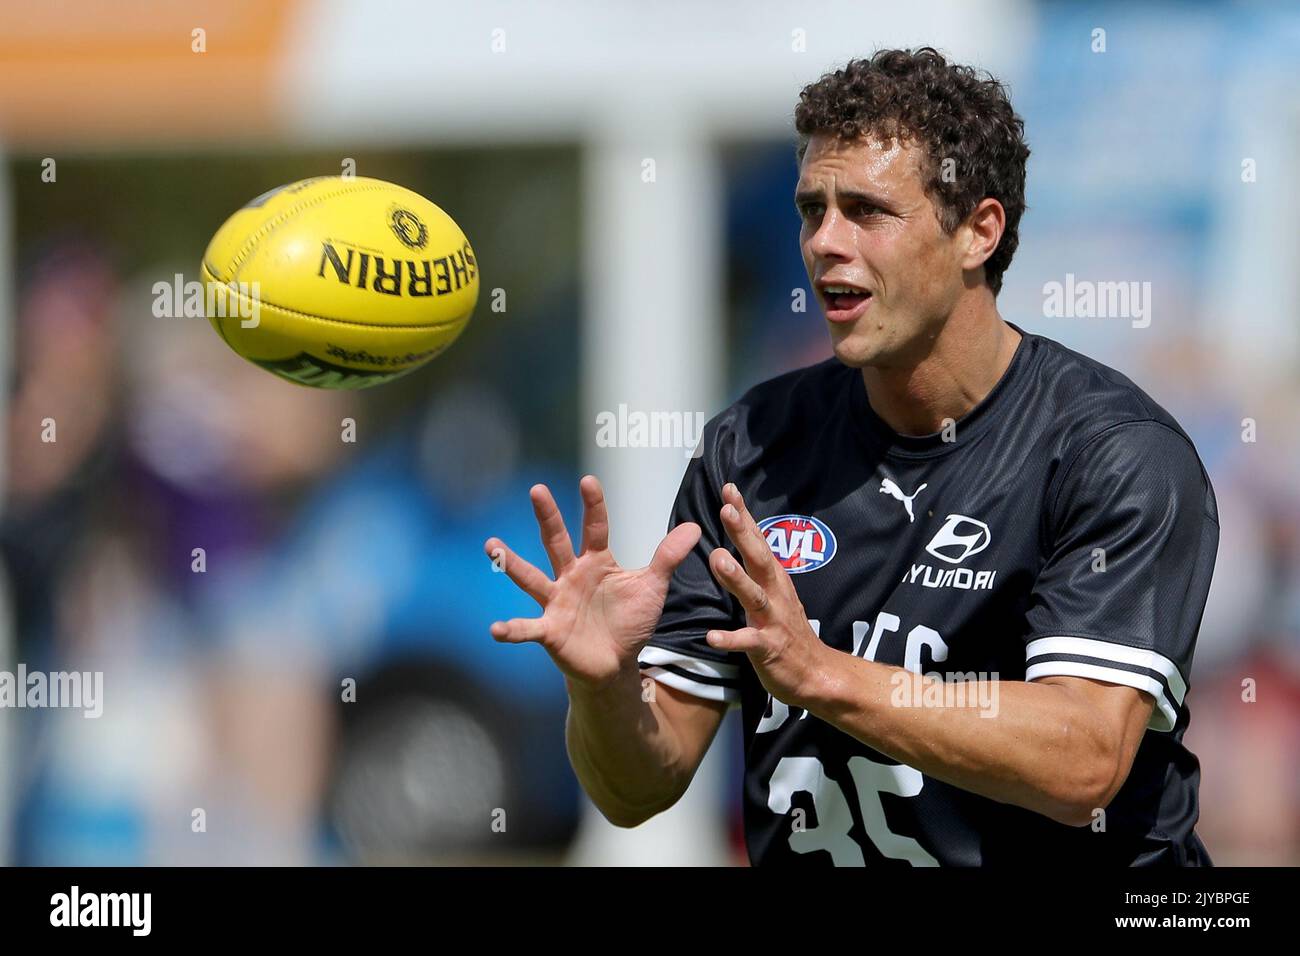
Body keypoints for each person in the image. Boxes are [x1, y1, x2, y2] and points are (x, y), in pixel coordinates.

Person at [485, 48, 1218, 866]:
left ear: (979, 231)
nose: (825, 242)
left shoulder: (1110, 453)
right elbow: (636, 791)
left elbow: (1083, 760)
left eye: (867, 210)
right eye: (811, 209)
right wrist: (602, 686)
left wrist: (824, 676)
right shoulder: (753, 446)